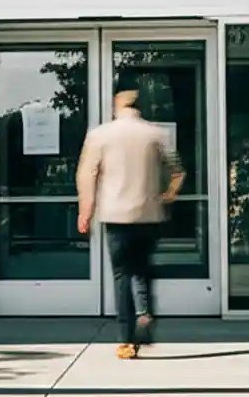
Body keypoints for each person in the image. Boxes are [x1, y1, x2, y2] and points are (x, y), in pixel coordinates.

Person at [76, 78, 185, 360]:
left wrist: (85, 211)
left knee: (122, 275)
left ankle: (126, 339)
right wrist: (167, 196)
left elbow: (87, 174)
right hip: (148, 214)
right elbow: (178, 172)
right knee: (143, 269)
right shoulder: (156, 134)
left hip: (116, 216)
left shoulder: (100, 135)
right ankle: (145, 312)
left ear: (117, 105)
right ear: (140, 107)